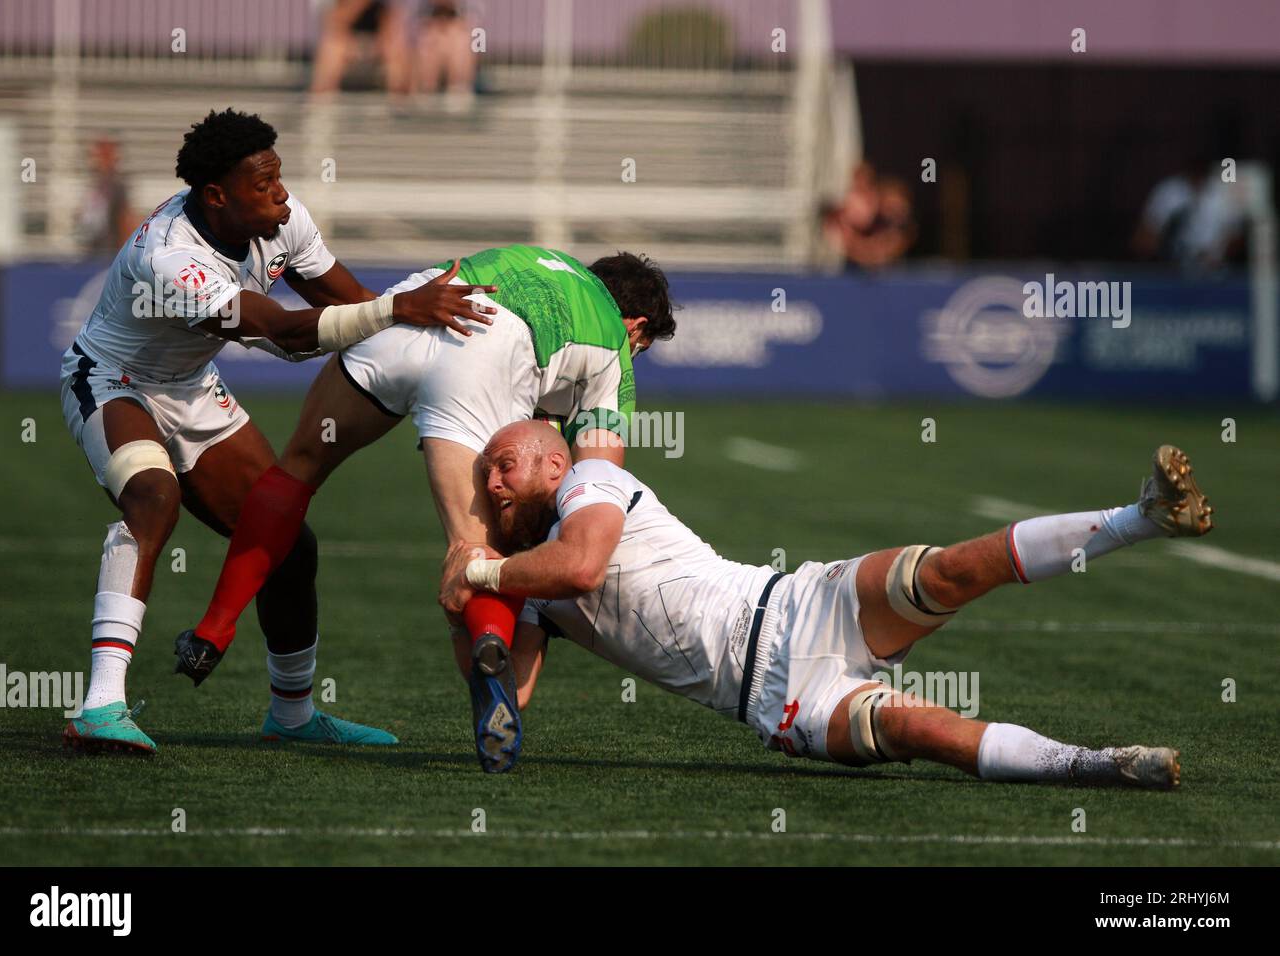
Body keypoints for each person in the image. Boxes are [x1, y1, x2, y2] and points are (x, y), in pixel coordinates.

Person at [441, 421, 1214, 787]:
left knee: (944, 573)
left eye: (504, 466)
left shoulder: (591, 484)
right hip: (778, 700)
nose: (493, 485)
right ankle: (1102, 765)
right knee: (919, 730)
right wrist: (480, 651)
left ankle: (1138, 517)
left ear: (554, 460)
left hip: (797, 603)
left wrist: (481, 576)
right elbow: (514, 698)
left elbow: (581, 567)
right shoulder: (523, 579)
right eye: (486, 476)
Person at [60, 108, 485, 754]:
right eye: (263, 184)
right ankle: (100, 705)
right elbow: (283, 332)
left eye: (279, 177)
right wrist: (398, 308)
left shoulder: (282, 221)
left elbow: (347, 303)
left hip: (190, 386)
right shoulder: (169, 257)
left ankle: (291, 714)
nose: (281, 193)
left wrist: (437, 322)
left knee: (288, 540)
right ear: (216, 196)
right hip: (113, 380)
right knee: (153, 497)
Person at [172, 245, 676, 767]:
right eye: (641, 345)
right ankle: (493, 667)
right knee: (477, 551)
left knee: (295, 469)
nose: (633, 353)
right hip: (484, 350)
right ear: (635, 325)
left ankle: (213, 629)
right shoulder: (614, 343)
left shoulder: (541, 258)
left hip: (415, 307)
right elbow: (596, 481)